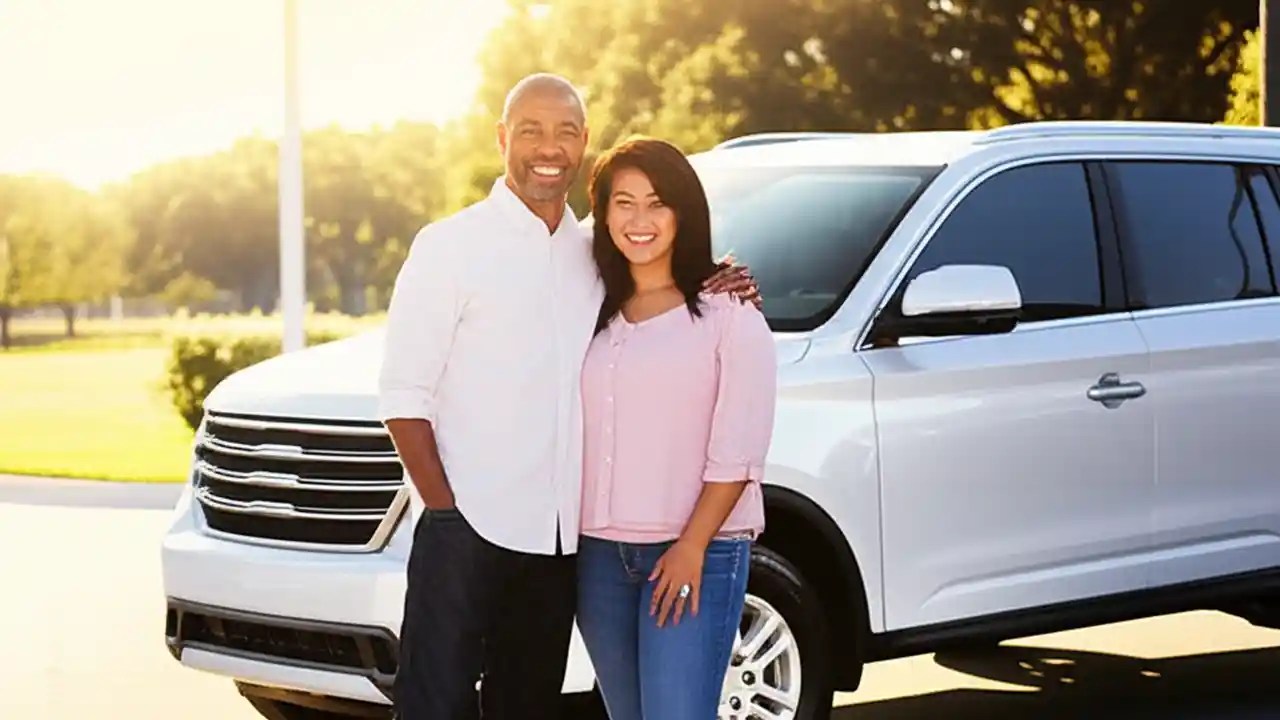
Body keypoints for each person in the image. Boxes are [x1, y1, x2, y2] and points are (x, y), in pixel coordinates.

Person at [377, 74, 758, 720]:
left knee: (525, 707)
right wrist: (445, 516)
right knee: (432, 708)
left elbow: (660, 268)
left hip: (557, 548)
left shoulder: (594, 251)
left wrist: (720, 277)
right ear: (502, 139)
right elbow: (402, 399)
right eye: (529, 130)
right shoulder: (449, 246)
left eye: (563, 132)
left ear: (582, 144)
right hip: (465, 528)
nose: (546, 147)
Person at [574, 137, 777, 719]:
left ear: (683, 211)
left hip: (697, 552)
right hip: (600, 558)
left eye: (657, 202)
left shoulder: (729, 314)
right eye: (623, 202)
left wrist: (691, 547)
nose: (640, 220)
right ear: (603, 212)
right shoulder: (588, 309)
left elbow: (739, 451)